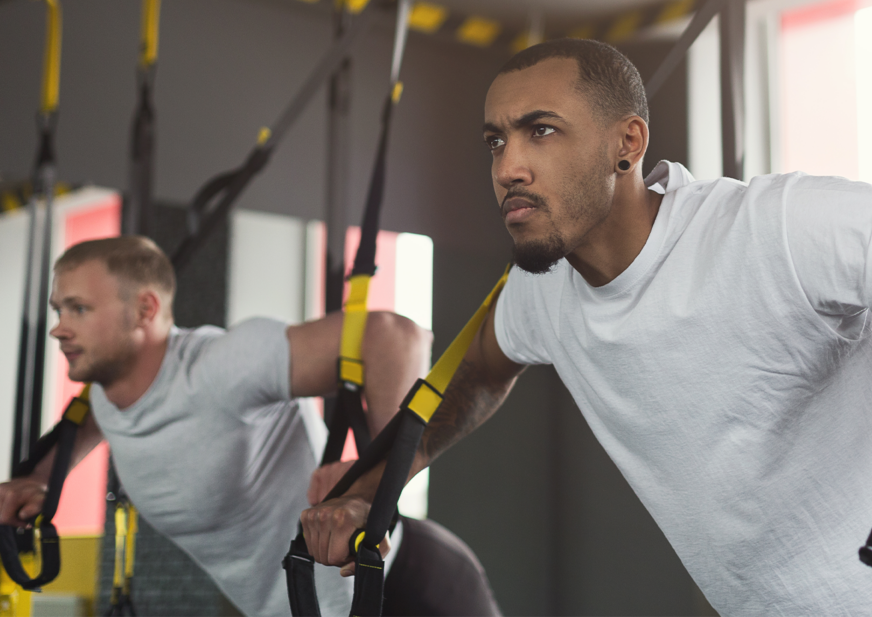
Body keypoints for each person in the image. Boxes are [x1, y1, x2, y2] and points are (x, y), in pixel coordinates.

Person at [300, 39, 872, 615]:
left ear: (628, 143)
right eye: (496, 140)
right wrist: (376, 484)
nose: (508, 166)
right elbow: (476, 373)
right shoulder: (541, 291)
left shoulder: (780, 230)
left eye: (540, 131)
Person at [0, 236, 500, 616]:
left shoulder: (220, 366)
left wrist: (373, 483)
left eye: (79, 309)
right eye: (59, 309)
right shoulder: (106, 396)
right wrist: (42, 478)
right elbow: (90, 424)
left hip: (402, 590)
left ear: (145, 309)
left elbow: (395, 335)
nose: (59, 328)